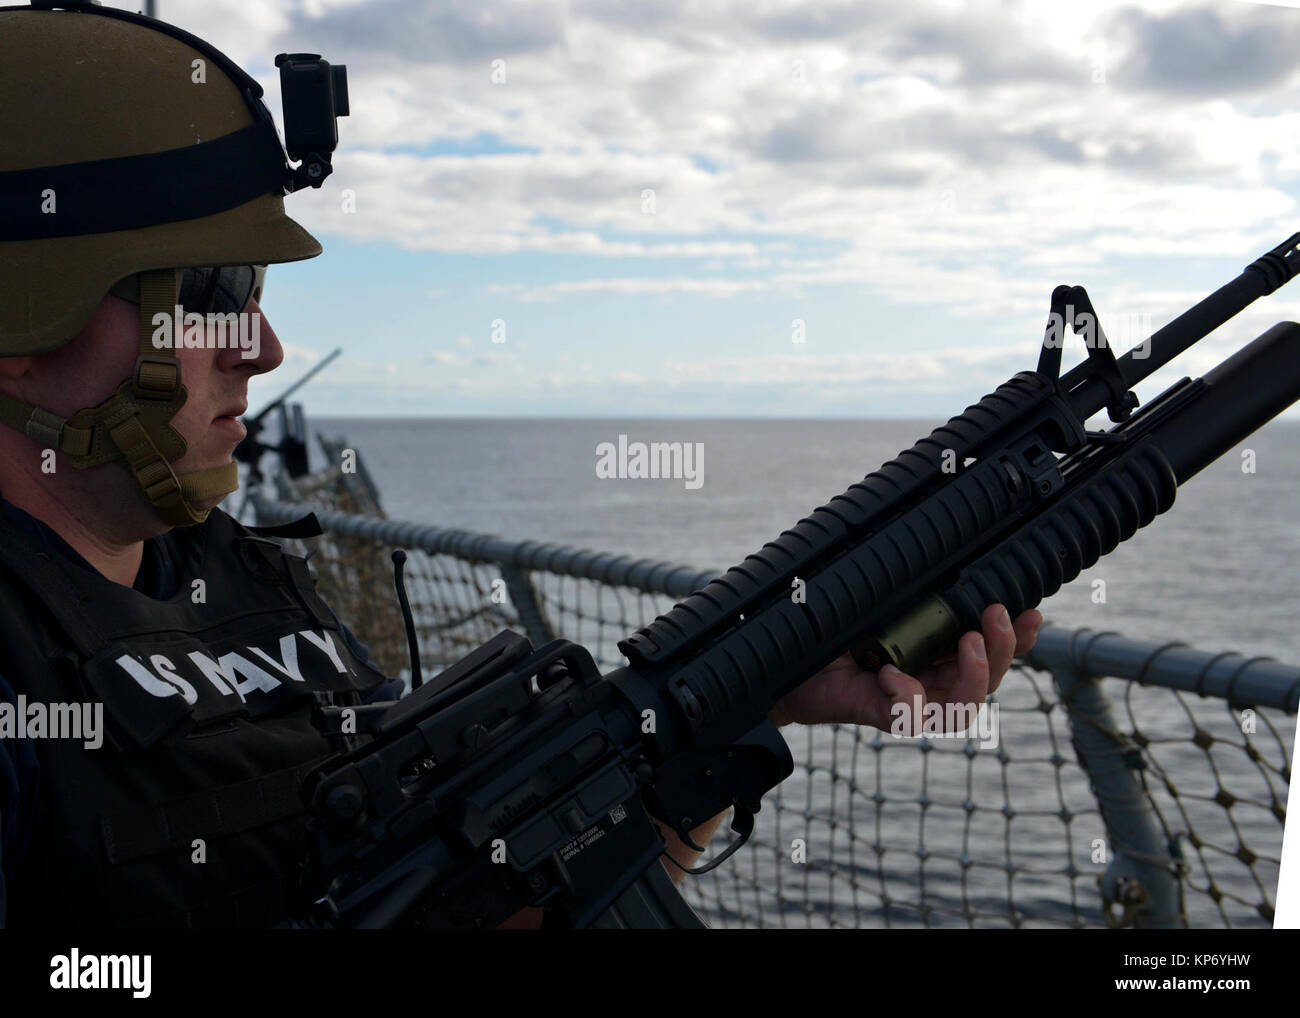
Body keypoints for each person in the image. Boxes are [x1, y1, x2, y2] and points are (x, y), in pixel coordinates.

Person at [0, 3, 1041, 928]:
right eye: (216, 286)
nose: (261, 346)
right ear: (24, 315)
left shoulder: (245, 580)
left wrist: (754, 697)